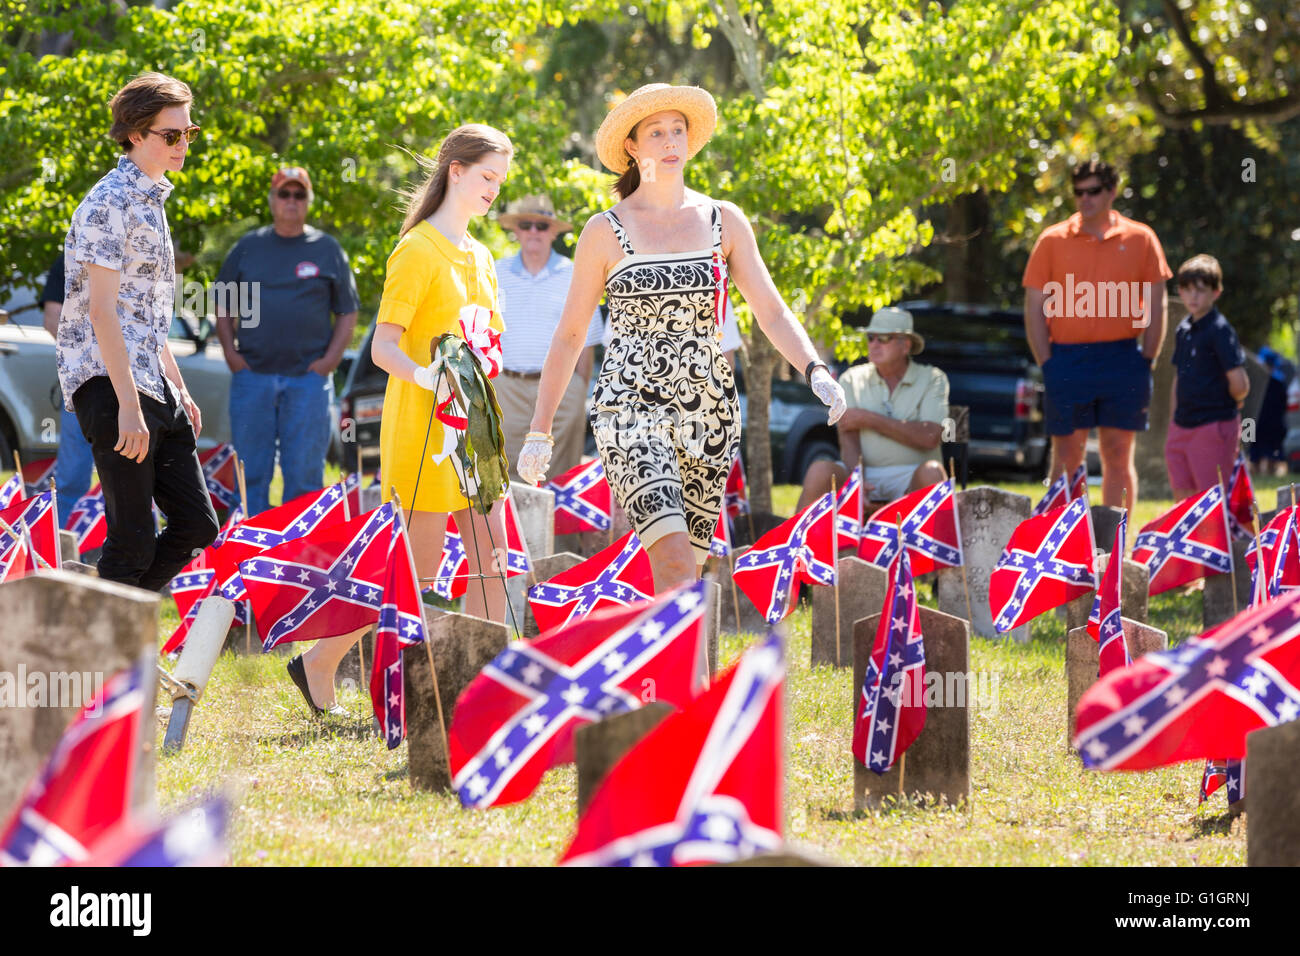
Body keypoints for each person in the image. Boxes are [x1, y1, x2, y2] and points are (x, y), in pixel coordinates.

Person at [517, 84, 845, 592]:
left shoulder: (724, 220)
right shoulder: (604, 231)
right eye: (656, 132)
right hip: (629, 410)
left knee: (685, 575)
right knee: (670, 558)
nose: (670, 142)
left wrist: (814, 368)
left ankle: (669, 669)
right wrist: (541, 429)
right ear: (632, 147)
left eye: (677, 131)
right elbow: (570, 336)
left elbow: (772, 312)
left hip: (709, 416)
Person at [287, 125, 513, 715]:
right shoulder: (416, 250)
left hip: (475, 428)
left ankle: (480, 687)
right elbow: (384, 348)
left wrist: (484, 358)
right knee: (414, 570)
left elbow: (484, 339)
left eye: (501, 180)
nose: (495, 190)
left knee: (492, 556)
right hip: (422, 425)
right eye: (487, 176)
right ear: (456, 172)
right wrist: (430, 375)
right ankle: (320, 660)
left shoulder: (483, 256)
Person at [57, 72, 218, 589]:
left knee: (197, 525)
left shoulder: (152, 201)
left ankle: (117, 640)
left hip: (154, 380)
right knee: (131, 539)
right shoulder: (107, 203)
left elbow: (144, 317)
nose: (181, 145)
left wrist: (180, 387)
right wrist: (127, 404)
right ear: (133, 134)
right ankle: (104, 661)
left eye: (187, 134)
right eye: (170, 135)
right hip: (110, 385)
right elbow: (102, 313)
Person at [1022, 159, 1173, 514]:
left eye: (1093, 191)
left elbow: (1157, 304)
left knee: (1118, 454)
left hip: (1123, 358)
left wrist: (1147, 358)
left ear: (1112, 191)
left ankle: (1114, 549)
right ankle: (1063, 546)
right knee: (1067, 456)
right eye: (1078, 192)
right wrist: (1048, 361)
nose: (1084, 199)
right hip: (1067, 358)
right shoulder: (1051, 240)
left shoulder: (1141, 238)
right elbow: (1034, 307)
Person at [214, 166, 360, 516]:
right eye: (284, 193)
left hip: (308, 382)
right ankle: (249, 552)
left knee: (305, 479)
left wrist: (328, 364)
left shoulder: (327, 249)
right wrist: (232, 355)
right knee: (251, 475)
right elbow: (221, 305)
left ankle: (299, 560)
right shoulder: (248, 247)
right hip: (253, 378)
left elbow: (348, 313)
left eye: (299, 194)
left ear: (308, 201)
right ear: (272, 200)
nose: (291, 201)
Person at [495, 194, 603, 481]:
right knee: (505, 477)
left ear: (554, 232)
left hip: (563, 392)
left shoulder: (575, 273)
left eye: (541, 226)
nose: (533, 232)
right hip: (506, 389)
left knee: (560, 476)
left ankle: (560, 529)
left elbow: (587, 344)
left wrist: (579, 389)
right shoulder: (495, 272)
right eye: (527, 224)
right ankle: (514, 529)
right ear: (515, 230)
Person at [797, 307, 949, 510]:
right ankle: (794, 541)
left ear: (906, 345)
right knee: (819, 471)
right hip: (863, 472)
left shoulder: (933, 378)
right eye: (871, 337)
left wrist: (868, 419)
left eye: (884, 338)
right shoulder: (851, 378)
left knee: (932, 472)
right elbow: (847, 435)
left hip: (913, 475)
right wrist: (856, 480)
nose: (874, 344)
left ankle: (942, 542)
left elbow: (930, 436)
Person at [1166, 254, 1248, 500]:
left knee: (1211, 499)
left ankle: (1218, 541)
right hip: (1181, 426)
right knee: (1182, 496)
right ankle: (1188, 539)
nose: (1193, 296)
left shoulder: (1220, 330)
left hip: (1213, 425)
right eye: (1187, 289)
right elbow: (1178, 377)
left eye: (1200, 290)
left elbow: (1240, 383)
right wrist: (1174, 421)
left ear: (1216, 292)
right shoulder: (1183, 329)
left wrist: (1234, 402)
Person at [40, 253, 93, 526]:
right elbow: (52, 320)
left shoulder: (137, 250)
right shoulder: (69, 257)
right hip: (82, 382)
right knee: (72, 478)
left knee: (137, 478)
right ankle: (59, 555)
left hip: (137, 381)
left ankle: (139, 560)